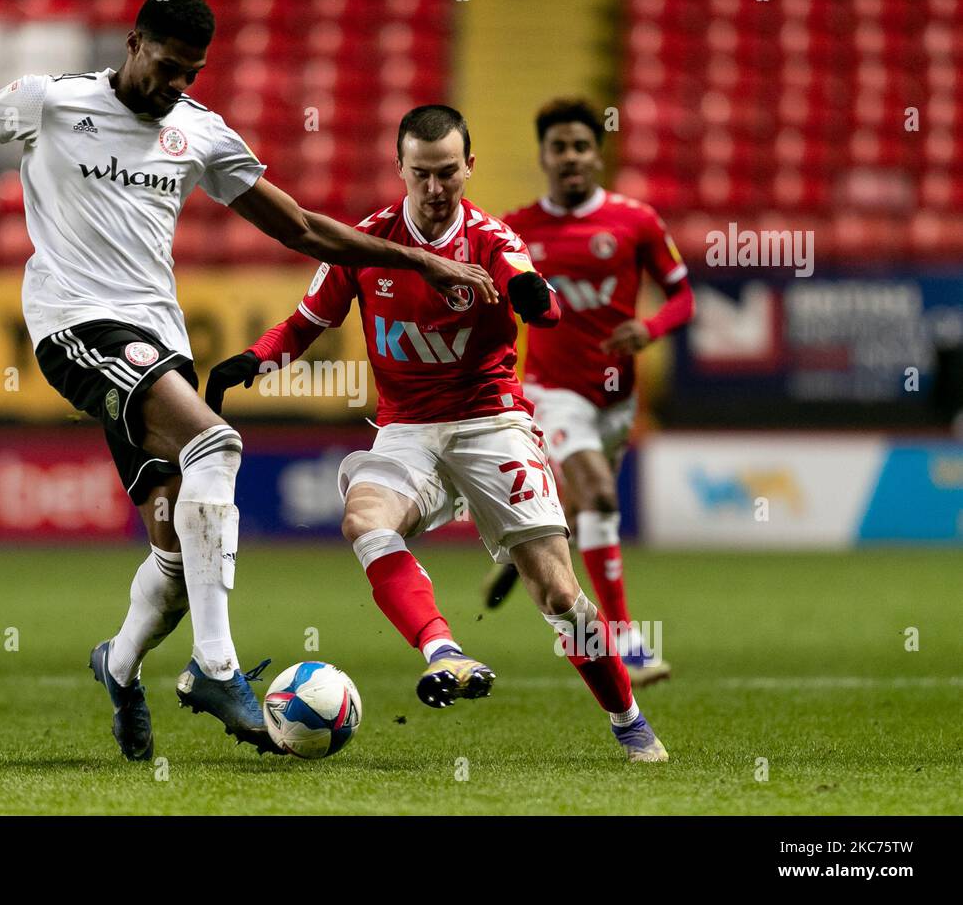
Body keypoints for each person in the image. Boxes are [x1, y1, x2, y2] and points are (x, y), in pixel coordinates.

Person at [0, 0, 495, 761]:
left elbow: (299, 226)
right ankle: (216, 666)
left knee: (172, 558)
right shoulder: (50, 104)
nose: (178, 85)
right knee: (217, 446)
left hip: (157, 343)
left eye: (192, 73)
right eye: (168, 67)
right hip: (76, 327)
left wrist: (420, 258)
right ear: (134, 43)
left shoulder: (199, 133)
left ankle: (121, 666)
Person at [208, 105, 669, 761]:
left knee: (560, 594)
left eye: (447, 173)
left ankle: (628, 718)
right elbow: (305, 324)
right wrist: (255, 359)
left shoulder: (490, 239)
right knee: (364, 519)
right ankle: (442, 650)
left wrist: (535, 298)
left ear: (468, 168)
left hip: (491, 422)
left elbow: (527, 283)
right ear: (400, 169)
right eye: (421, 173)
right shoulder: (366, 244)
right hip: (408, 431)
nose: (434, 188)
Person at [480, 98, 695, 688]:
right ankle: (627, 640)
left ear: (597, 154)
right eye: (559, 147)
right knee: (600, 495)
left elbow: (683, 297)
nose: (570, 157)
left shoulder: (637, 222)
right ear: (544, 156)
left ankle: (521, 554)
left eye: (580, 146)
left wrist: (648, 329)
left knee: (581, 504)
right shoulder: (514, 229)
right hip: (552, 391)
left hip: (618, 398)